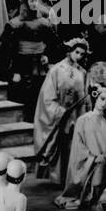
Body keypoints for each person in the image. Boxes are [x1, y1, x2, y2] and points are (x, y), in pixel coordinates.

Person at [33, 37, 89, 184]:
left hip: (76, 114)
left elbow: (83, 95)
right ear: (70, 51)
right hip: (60, 113)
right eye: (77, 52)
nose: (79, 56)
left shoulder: (82, 72)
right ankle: (57, 177)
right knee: (59, 145)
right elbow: (47, 96)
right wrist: (59, 110)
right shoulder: (57, 70)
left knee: (73, 144)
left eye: (82, 54)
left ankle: (70, 177)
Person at [55, 87, 106, 211]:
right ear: (96, 97)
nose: (104, 103)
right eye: (102, 99)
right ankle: (89, 196)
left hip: (104, 162)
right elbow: (79, 146)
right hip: (89, 161)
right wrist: (92, 157)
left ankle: (98, 197)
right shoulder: (83, 120)